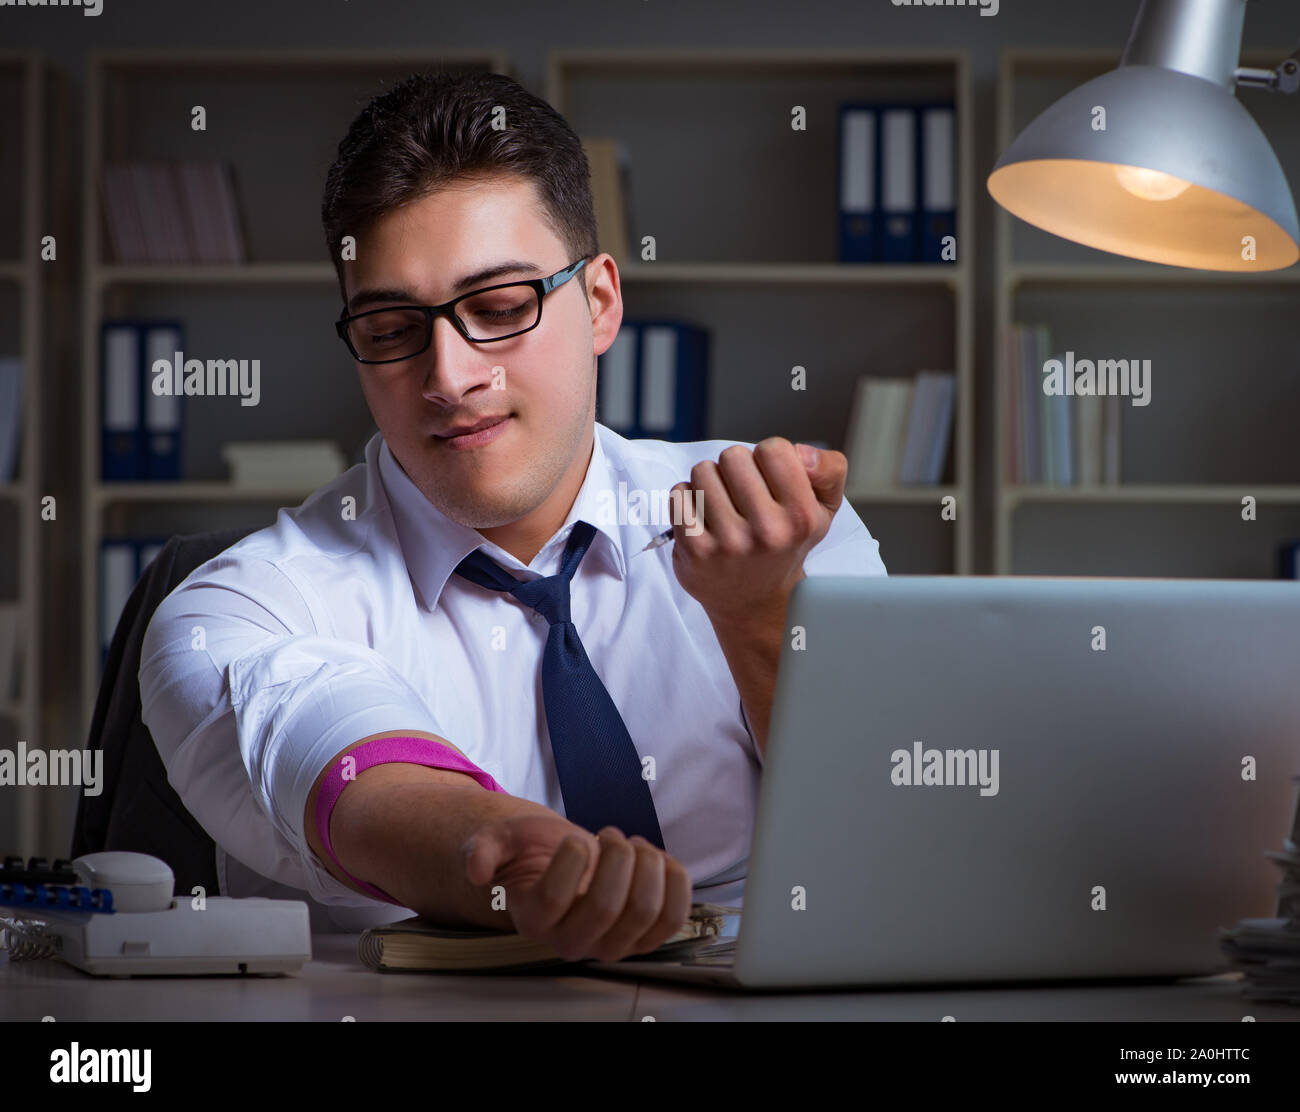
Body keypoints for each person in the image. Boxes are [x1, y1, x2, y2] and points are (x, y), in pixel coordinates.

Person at [139, 71, 887, 962]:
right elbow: (332, 746)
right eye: (389, 327)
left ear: (600, 302)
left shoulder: (780, 525)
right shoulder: (238, 603)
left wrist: (761, 618)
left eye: (499, 308)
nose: (449, 376)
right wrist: (505, 859)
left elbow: (888, 857)